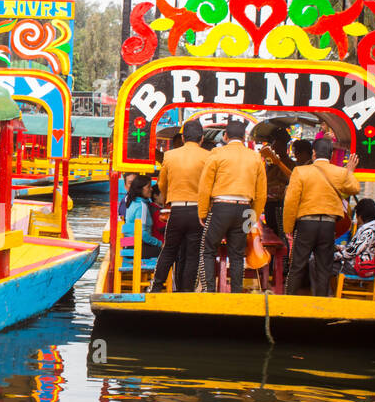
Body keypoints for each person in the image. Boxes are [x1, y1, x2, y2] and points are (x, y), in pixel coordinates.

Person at [283, 138, 361, 297]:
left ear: (313, 153)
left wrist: (288, 228)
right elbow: (355, 188)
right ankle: (321, 303)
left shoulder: (301, 172)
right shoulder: (340, 172)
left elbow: (290, 202)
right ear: (331, 155)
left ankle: (288, 300)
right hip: (328, 225)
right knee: (323, 266)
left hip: (306, 224)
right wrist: (349, 171)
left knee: (297, 265)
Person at [197, 119, 266, 293]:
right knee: (237, 254)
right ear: (244, 137)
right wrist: (253, 217)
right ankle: (236, 293)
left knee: (208, 249)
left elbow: (205, 186)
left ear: (225, 136)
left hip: (221, 207)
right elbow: (261, 193)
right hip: (245, 209)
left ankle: (209, 291)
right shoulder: (255, 157)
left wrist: (203, 212)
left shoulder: (217, 154)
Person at [149, 118, 209, 293]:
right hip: (197, 211)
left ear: (183, 138)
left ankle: (156, 287)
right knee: (192, 254)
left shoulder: (169, 155)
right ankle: (186, 291)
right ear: (202, 139)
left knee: (169, 250)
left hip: (177, 209)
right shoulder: (208, 156)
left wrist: (169, 199)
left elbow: (162, 184)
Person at [334, 197, 375, 276]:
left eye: (356, 215)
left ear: (360, 216)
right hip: (356, 264)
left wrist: (331, 256)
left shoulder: (368, 231)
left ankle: (322, 288)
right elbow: (355, 248)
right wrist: (339, 247)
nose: (356, 218)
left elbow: (350, 253)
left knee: (317, 263)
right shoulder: (373, 228)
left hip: (356, 267)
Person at [122, 175, 162, 257]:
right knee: (169, 252)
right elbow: (142, 234)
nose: (151, 189)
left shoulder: (132, 202)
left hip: (127, 245)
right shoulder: (141, 206)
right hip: (135, 247)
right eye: (148, 187)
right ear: (140, 189)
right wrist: (160, 243)